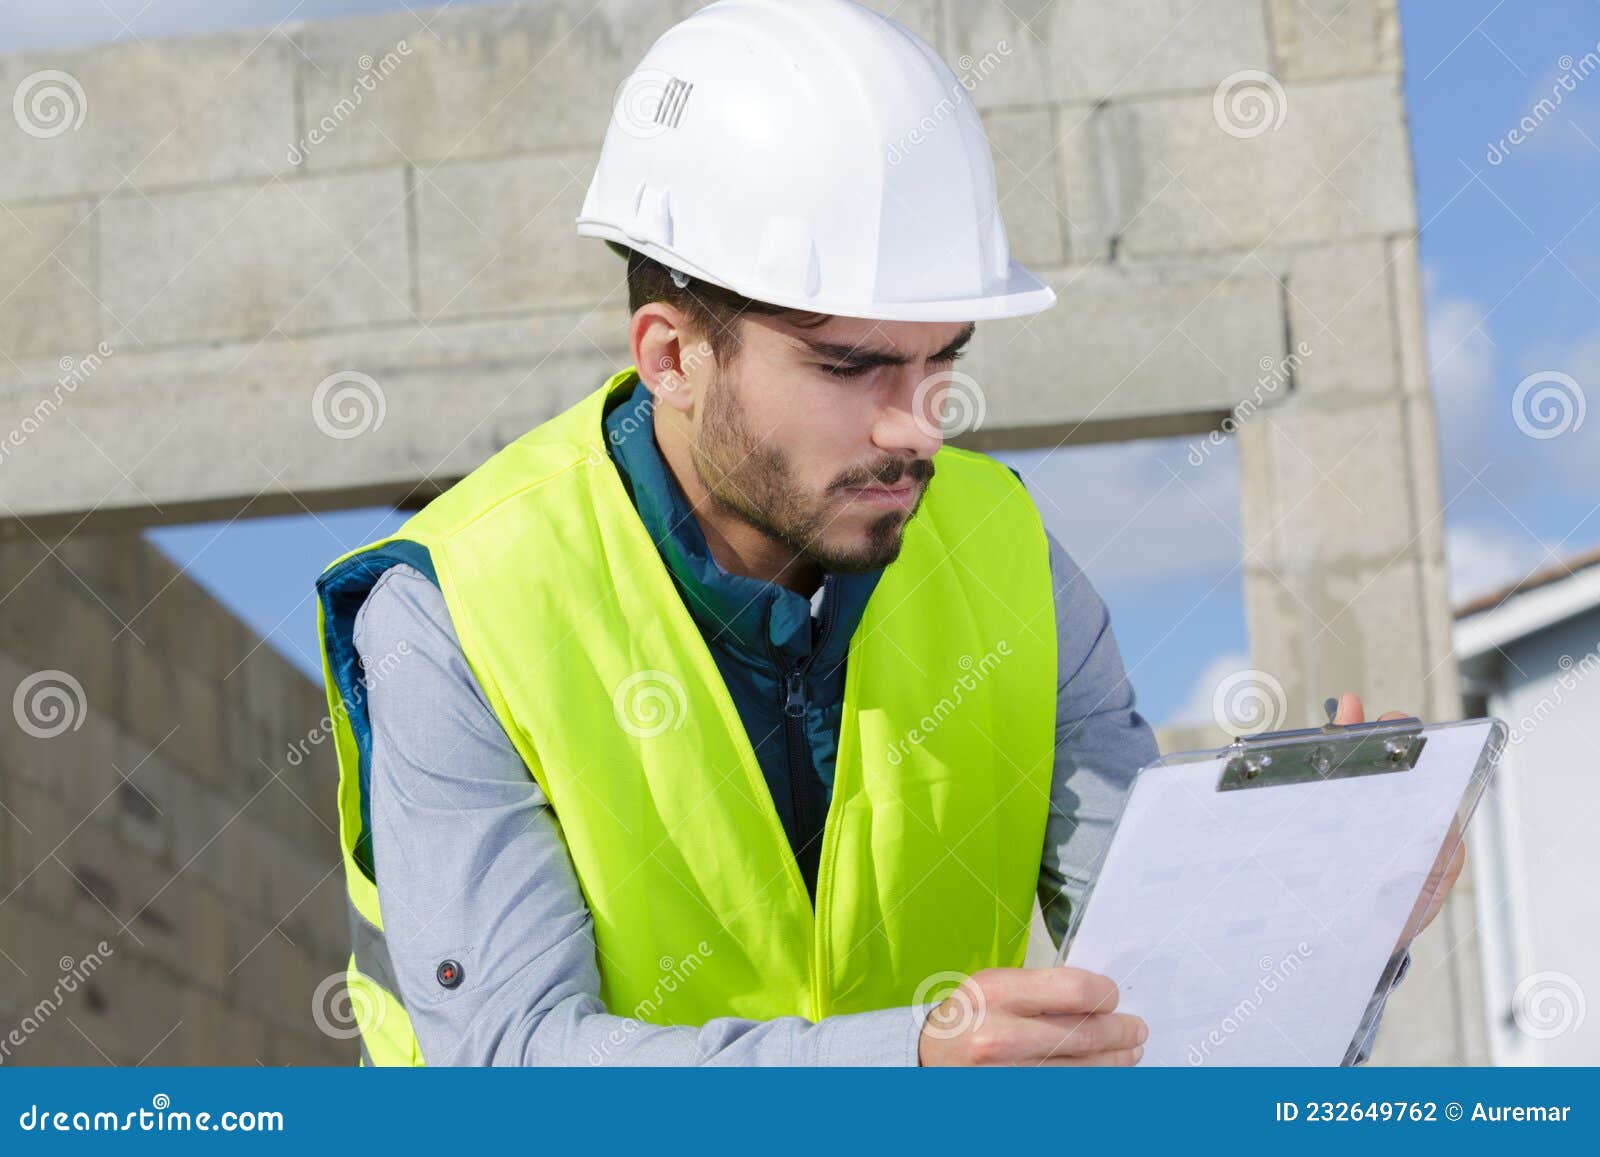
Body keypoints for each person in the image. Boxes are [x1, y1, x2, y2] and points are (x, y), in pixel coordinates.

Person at [313, 0, 1461, 1067]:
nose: (918, 425)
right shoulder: (456, 608)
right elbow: (511, 1067)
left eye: (942, 358)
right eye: (850, 364)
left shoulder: (1003, 549)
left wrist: (1334, 926)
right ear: (671, 356)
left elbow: (1169, 1018)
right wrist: (906, 1061)